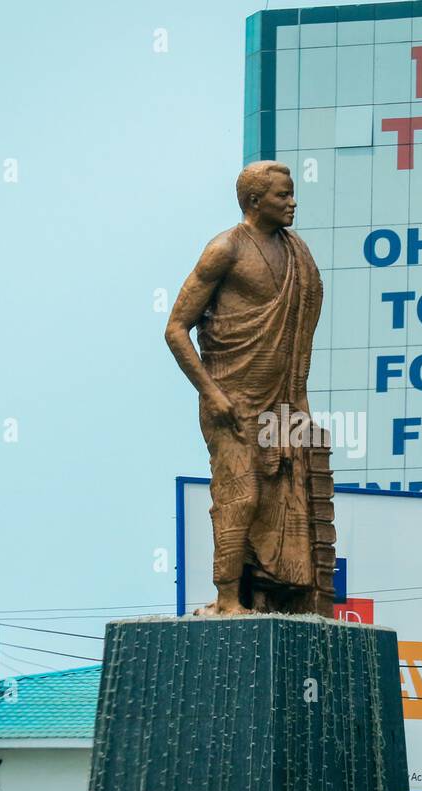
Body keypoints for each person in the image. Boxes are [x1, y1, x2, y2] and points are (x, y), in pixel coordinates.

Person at [164, 161, 336, 616]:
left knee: (283, 501)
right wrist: (210, 392)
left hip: (283, 400)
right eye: (283, 195)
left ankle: (265, 594)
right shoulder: (225, 249)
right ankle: (226, 598)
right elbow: (176, 328)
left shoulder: (297, 252)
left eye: (292, 193)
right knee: (242, 496)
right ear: (255, 201)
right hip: (231, 401)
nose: (293, 202)